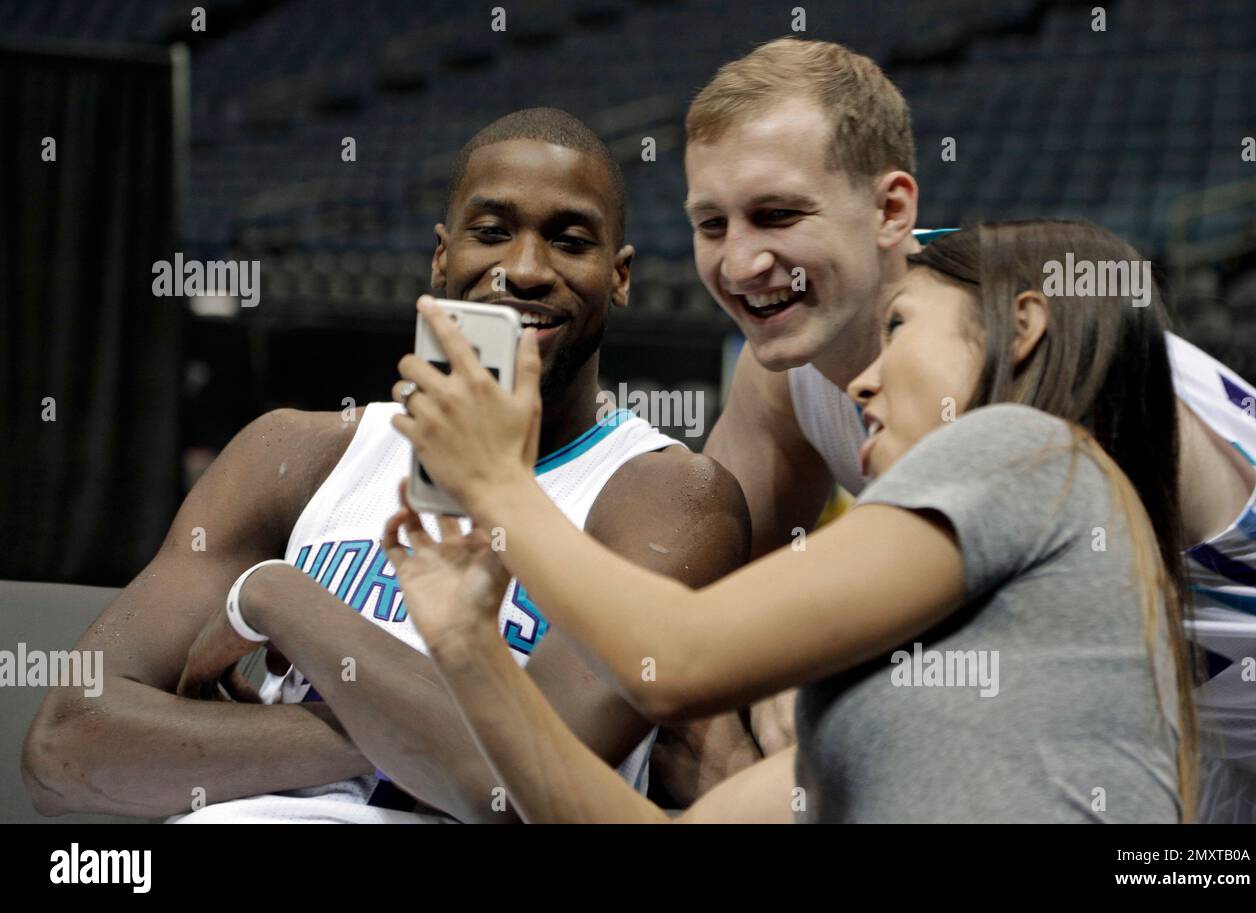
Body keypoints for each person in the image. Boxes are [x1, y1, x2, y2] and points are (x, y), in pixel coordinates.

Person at [21, 108, 753, 823]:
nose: (525, 269)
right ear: (442, 255)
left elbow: (516, 786)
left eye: (568, 240)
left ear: (620, 276)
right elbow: (64, 747)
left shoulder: (667, 496)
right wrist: (392, 728)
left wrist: (278, 598)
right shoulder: (293, 454)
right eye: (491, 232)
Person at [386, 220, 1201, 823]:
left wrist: (497, 483)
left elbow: (672, 657)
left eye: (897, 326)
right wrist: (469, 644)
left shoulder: (1032, 449)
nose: (861, 384)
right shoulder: (899, 683)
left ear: (1018, 329)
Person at [684, 36, 1256, 820]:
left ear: (891, 209)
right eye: (710, 225)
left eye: (776, 214)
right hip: (1202, 736)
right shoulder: (788, 376)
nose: (739, 264)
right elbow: (705, 586)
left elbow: (703, 649)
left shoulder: (1038, 372)